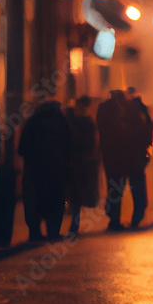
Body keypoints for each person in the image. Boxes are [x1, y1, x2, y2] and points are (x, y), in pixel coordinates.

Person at [18, 99, 71, 241]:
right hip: (56, 170)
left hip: (34, 170)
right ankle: (53, 232)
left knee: (34, 203)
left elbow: (22, 147)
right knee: (55, 202)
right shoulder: (61, 122)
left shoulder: (32, 121)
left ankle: (34, 232)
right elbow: (69, 145)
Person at [96, 90, 148, 230]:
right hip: (133, 158)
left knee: (115, 190)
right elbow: (143, 129)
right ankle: (136, 219)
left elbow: (102, 130)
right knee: (136, 189)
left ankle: (114, 220)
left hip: (114, 159)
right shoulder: (132, 109)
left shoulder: (104, 110)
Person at [65, 96, 100, 235]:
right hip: (79, 162)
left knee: (75, 194)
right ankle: (74, 222)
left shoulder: (72, 121)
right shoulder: (86, 122)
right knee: (75, 194)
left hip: (74, 162)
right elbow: (92, 144)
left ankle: (73, 222)